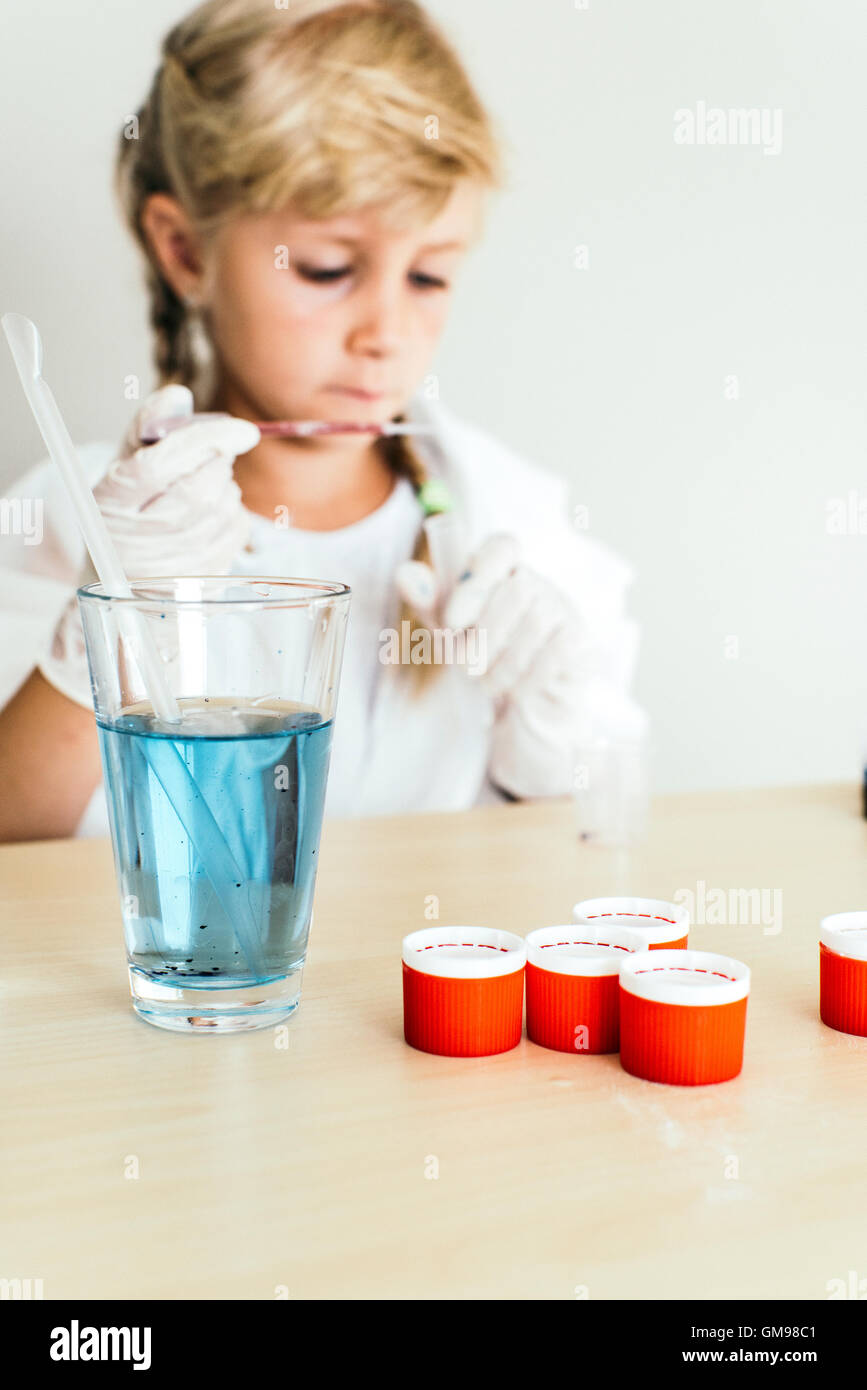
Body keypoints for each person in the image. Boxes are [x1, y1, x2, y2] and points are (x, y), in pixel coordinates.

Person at [0, 0, 645, 844]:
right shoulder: (72, 517)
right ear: (186, 250)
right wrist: (98, 639)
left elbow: (606, 848)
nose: (385, 335)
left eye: (428, 277)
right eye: (327, 268)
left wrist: (554, 739)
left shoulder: (510, 517)